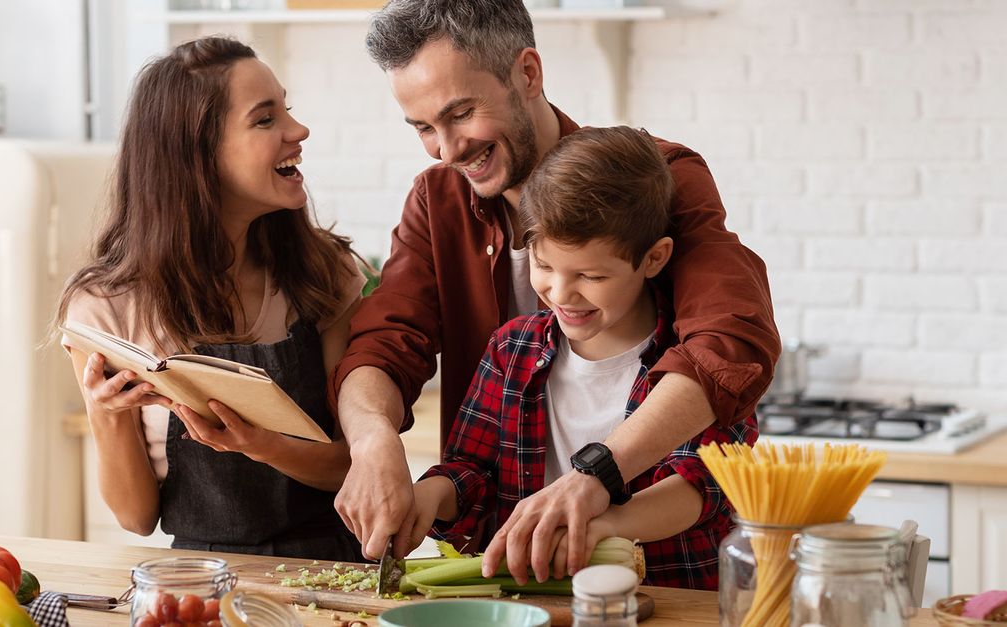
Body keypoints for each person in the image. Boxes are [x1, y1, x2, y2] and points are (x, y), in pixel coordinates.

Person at [329, 0, 780, 582]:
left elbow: (728, 344)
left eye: (461, 113)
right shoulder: (437, 201)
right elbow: (385, 342)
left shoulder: (655, 178)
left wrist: (597, 478)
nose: (445, 150)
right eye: (422, 128)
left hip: (665, 580)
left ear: (528, 73)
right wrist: (371, 439)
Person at [55, 36, 366, 560]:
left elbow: (354, 466)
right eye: (265, 120)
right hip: (199, 581)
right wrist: (105, 414)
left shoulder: (323, 273)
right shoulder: (104, 310)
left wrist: (260, 444)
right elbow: (136, 517)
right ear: (196, 154)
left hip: (330, 569)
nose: (298, 130)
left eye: (286, 109)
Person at [411, 127, 757, 590]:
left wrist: (604, 527)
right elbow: (472, 473)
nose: (560, 292)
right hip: (539, 607)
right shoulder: (511, 349)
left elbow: (706, 484)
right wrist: (429, 496)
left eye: (591, 275)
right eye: (544, 265)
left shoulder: (695, 363)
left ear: (654, 258)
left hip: (671, 603)